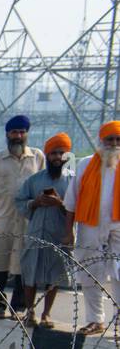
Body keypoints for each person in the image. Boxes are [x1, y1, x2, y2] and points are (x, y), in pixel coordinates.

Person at [0, 115, 46, 318]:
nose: (18, 136)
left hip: (28, 222)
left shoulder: (37, 157)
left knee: (23, 266)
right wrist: (3, 206)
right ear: (7, 134)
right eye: (14, 132)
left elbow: (44, 187)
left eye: (22, 132)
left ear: (27, 134)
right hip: (3, 220)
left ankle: (18, 307)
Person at [63, 121, 120, 336]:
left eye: (118, 140)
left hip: (118, 226)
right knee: (89, 272)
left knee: (118, 274)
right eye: (109, 140)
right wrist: (68, 230)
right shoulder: (85, 165)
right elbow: (71, 201)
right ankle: (95, 320)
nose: (114, 144)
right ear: (101, 141)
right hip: (90, 224)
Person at [16, 132, 75, 328]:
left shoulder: (72, 181)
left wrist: (60, 203)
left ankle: (46, 314)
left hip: (59, 235)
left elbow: (77, 209)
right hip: (35, 233)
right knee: (30, 274)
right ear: (47, 155)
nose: (57, 157)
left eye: (61, 153)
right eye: (53, 153)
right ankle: (30, 312)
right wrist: (36, 202)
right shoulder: (34, 180)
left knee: (53, 276)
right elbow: (20, 202)